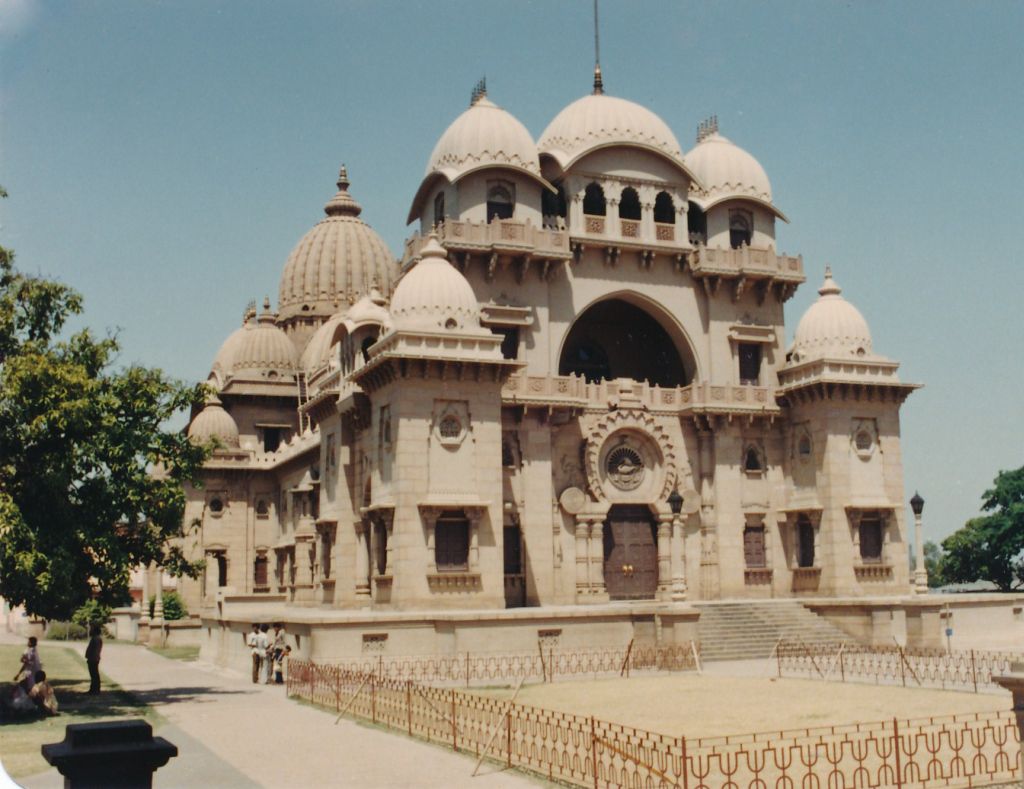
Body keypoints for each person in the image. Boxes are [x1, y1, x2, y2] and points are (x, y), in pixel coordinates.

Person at [84, 625, 103, 694]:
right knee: (94, 674)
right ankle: (94, 689)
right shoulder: (97, 639)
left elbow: (94, 649)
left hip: (93, 658)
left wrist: (90, 656)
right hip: (94, 658)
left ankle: (95, 689)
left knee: (94, 674)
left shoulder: (95, 639)